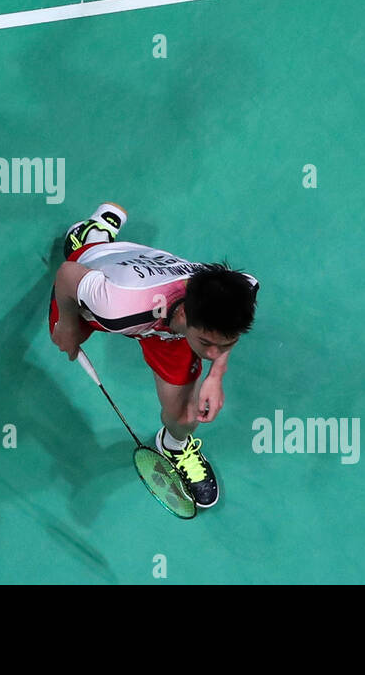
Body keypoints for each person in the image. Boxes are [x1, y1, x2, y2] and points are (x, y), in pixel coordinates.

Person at [48, 203, 260, 508]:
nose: (214, 353)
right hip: (102, 280)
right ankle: (91, 237)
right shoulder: (117, 307)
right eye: (207, 343)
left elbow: (227, 332)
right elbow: (67, 276)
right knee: (63, 324)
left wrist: (216, 375)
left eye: (223, 345)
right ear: (187, 313)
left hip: (167, 326)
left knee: (186, 414)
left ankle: (174, 446)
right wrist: (68, 324)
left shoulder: (241, 290)